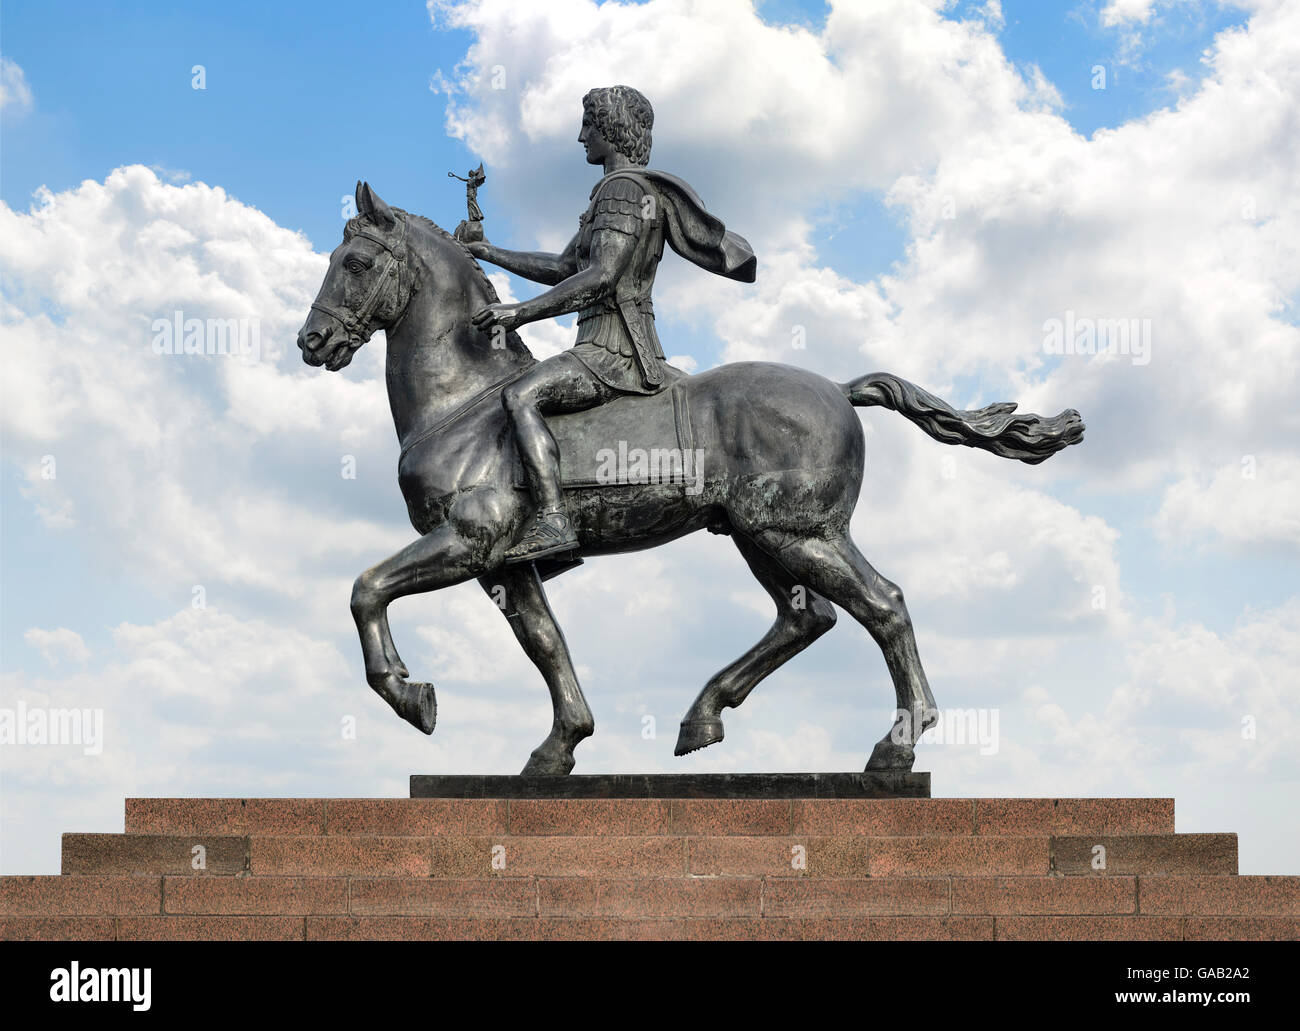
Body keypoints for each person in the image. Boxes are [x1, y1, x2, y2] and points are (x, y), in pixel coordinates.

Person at [468, 85, 755, 562]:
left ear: (610, 128)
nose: (581, 136)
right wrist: (488, 251)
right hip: (609, 344)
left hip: (612, 350)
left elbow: (601, 277)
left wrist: (519, 313)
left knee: (518, 396)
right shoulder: (613, 192)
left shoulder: (624, 190)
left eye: (588, 125)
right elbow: (564, 269)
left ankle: (554, 520)